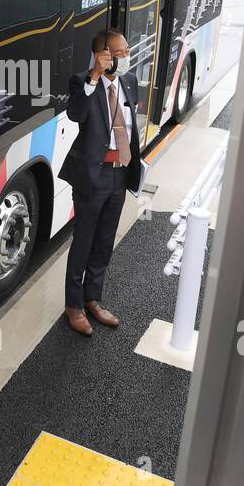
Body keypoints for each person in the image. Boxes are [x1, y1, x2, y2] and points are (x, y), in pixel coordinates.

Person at [58, 27, 143, 336]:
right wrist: (94, 76)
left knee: (105, 242)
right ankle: (73, 305)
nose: (126, 58)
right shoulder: (83, 82)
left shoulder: (130, 82)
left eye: (127, 52)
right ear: (103, 56)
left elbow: (131, 127)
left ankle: (93, 298)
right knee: (83, 241)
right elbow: (76, 114)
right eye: (120, 54)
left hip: (119, 174)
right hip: (92, 176)